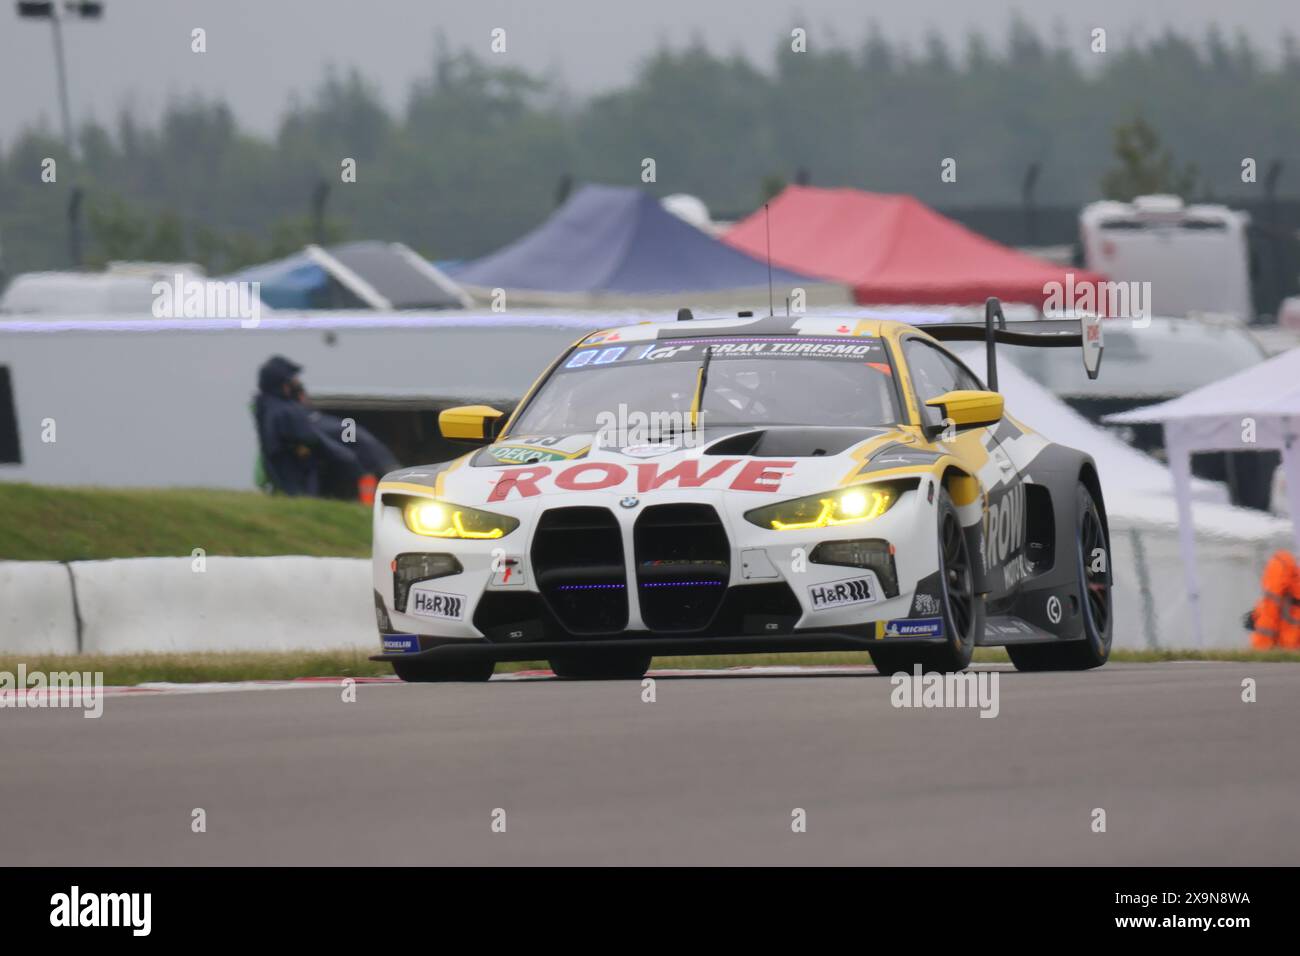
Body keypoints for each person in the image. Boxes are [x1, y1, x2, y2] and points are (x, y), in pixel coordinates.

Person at [253, 355, 397, 501]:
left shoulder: (266, 406)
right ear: (284, 384)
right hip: (298, 478)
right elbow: (316, 440)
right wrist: (351, 461)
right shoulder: (287, 412)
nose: (297, 382)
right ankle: (382, 489)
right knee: (361, 444)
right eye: (293, 379)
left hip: (287, 476)